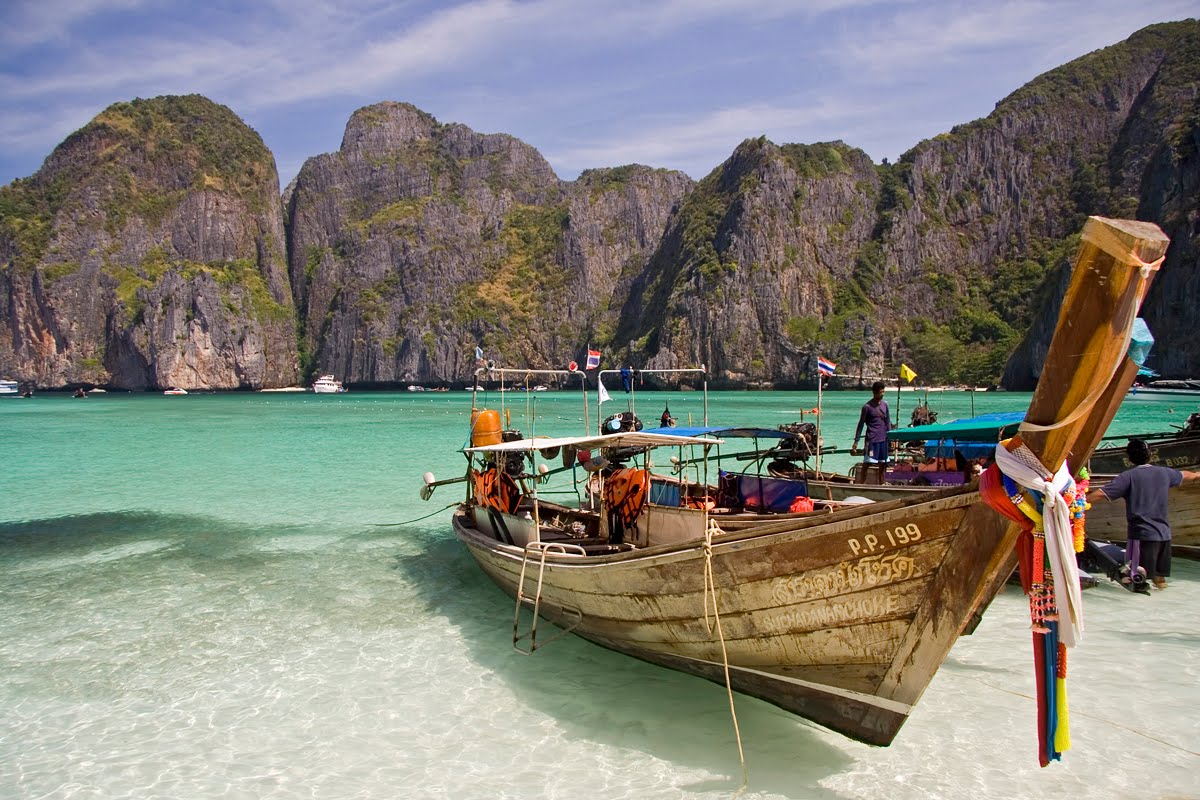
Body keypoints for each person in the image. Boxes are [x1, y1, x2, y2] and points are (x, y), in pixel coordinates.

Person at [1086, 439, 1199, 589]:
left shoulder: (1127, 477)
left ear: (1129, 458)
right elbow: (1188, 475)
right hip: (1164, 535)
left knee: (1137, 580)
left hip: (1142, 536)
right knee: (1160, 580)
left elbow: (1100, 494)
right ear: (1150, 455)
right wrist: (1198, 474)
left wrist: (1077, 504)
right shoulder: (1165, 473)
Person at [851, 381, 892, 463]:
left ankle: (881, 476)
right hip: (872, 440)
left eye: (883, 392)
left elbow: (888, 421)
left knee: (883, 463)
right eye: (881, 392)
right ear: (874, 392)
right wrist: (856, 441)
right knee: (868, 462)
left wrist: (891, 436)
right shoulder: (867, 407)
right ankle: (863, 476)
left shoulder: (885, 405)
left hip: (883, 439)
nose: (882, 394)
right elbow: (861, 424)